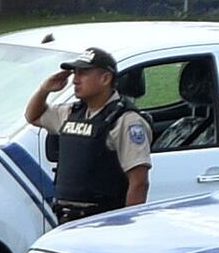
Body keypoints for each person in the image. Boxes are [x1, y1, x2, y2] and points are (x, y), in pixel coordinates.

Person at [25, 44, 153, 223]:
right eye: (75, 73)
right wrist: (44, 89)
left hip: (103, 221)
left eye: (83, 73)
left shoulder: (125, 121)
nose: (75, 80)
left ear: (105, 78)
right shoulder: (71, 113)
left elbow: (139, 182)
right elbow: (33, 116)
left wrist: (127, 227)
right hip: (67, 219)